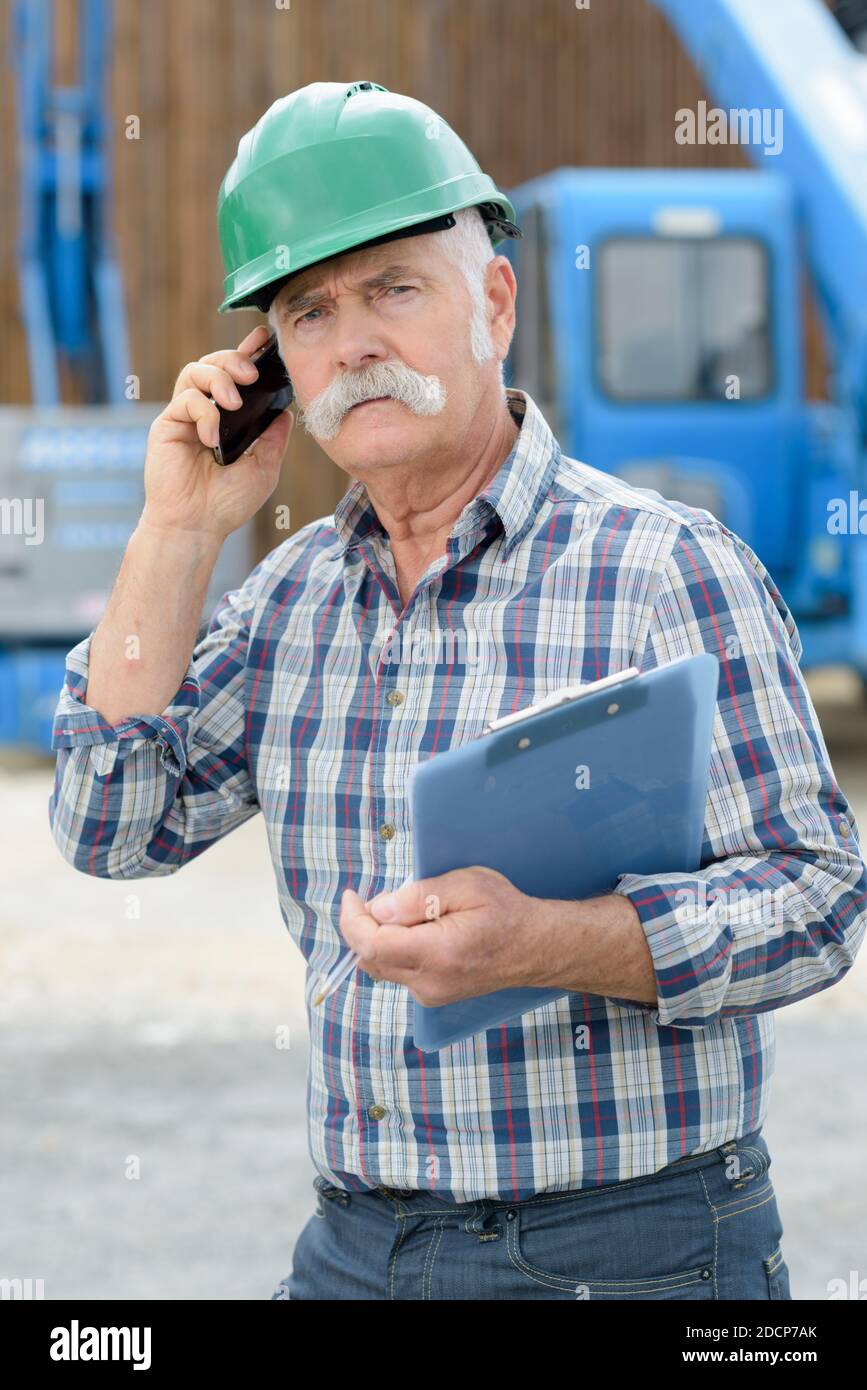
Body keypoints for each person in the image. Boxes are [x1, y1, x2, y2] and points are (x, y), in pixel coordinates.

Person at [49, 81, 866, 1301]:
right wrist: (176, 529)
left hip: (633, 1254)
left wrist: (552, 942)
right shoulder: (290, 604)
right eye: (310, 310)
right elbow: (109, 825)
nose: (355, 341)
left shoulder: (666, 568)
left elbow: (817, 898)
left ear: (493, 302)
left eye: (394, 288)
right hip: (359, 1250)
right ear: (273, 366)